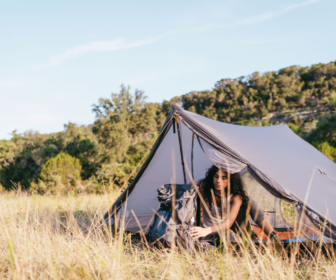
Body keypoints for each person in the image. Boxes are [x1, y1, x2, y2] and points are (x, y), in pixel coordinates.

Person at [189, 165, 281, 243]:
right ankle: (246, 243)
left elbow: (228, 222)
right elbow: (197, 216)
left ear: (230, 180)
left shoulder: (235, 196)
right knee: (229, 236)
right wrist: (203, 231)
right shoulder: (203, 189)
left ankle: (274, 237)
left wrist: (206, 230)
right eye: (216, 176)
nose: (218, 181)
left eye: (223, 178)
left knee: (248, 201)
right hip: (209, 234)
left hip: (227, 229)